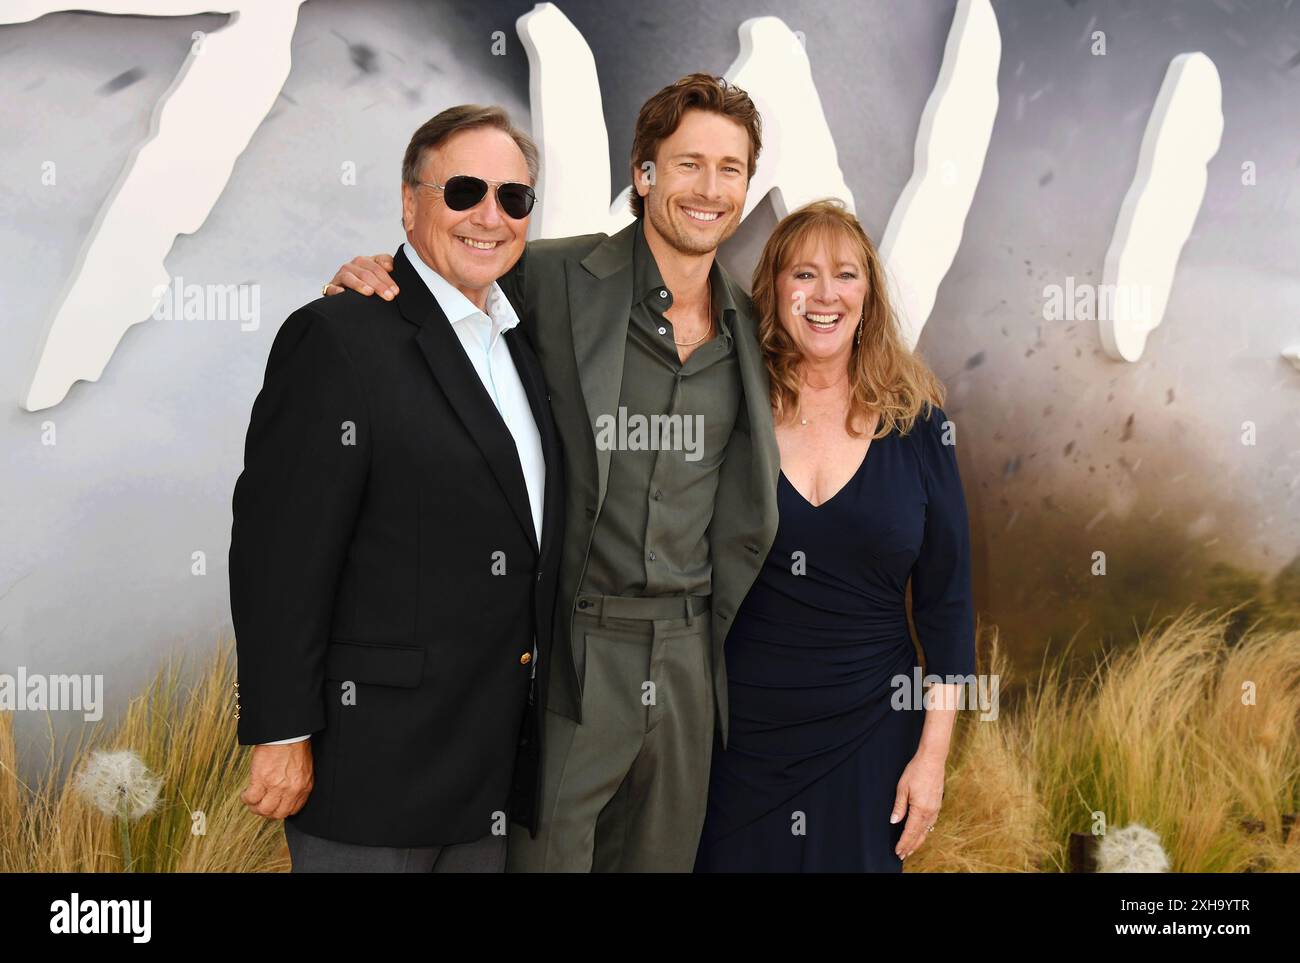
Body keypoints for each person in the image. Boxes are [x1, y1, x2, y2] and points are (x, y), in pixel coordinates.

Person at [324, 74, 781, 872]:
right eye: (689, 164)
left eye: (730, 169)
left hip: (689, 660)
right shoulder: (553, 279)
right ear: (643, 173)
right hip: (575, 652)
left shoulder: (752, 325)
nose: (710, 189)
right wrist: (369, 283)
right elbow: (441, 290)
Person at [229, 104, 564, 872]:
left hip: (486, 775)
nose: (490, 216)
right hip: (370, 772)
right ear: (410, 203)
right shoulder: (337, 336)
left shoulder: (520, 341)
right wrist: (281, 731)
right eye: (464, 191)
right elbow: (278, 550)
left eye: (513, 198)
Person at [692, 198, 977, 872]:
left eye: (846, 275)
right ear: (774, 292)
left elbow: (948, 606)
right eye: (804, 274)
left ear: (868, 295)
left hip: (873, 740)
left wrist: (932, 757)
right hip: (740, 744)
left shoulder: (919, 427)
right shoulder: (730, 411)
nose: (826, 295)